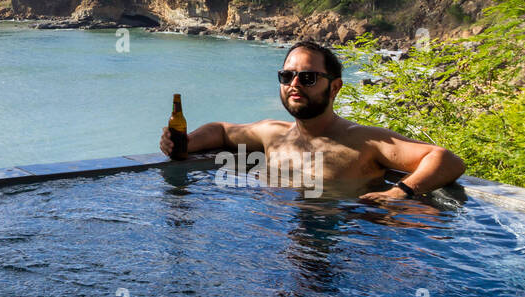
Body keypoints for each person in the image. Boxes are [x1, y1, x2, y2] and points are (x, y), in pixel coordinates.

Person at [158, 40, 465, 202]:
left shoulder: (364, 141)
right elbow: (222, 131)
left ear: (334, 87)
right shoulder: (273, 134)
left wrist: (400, 192)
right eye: (287, 75)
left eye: (307, 77)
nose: (295, 84)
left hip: (338, 242)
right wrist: (184, 145)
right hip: (273, 237)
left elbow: (446, 159)